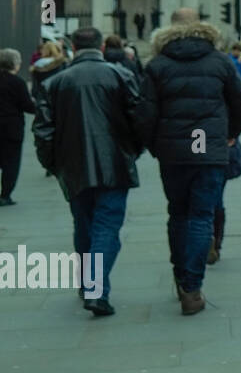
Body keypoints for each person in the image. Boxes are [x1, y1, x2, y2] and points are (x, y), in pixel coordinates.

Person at [134, 8, 241, 315]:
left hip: (174, 153)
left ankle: (180, 273)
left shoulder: (157, 65)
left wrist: (154, 145)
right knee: (202, 216)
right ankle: (192, 286)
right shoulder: (220, 62)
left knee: (178, 214)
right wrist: (230, 135)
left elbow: (144, 115)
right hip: (209, 151)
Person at [32, 27, 143, 316]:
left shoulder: (55, 82)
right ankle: (96, 290)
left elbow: (43, 130)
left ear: (74, 48)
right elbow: (139, 120)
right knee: (106, 227)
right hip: (114, 163)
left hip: (72, 166)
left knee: (84, 226)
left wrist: (52, 164)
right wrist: (132, 151)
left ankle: (88, 283)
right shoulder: (121, 76)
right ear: (101, 47)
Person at [0, 48, 37, 206]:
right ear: (14, 64)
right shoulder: (18, 82)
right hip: (11, 128)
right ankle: (5, 195)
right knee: (11, 163)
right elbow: (27, 106)